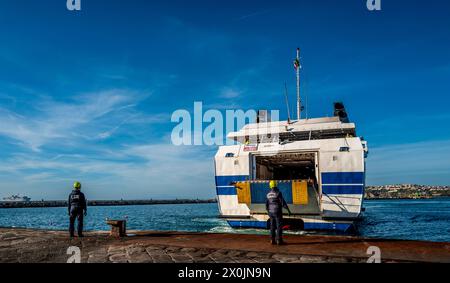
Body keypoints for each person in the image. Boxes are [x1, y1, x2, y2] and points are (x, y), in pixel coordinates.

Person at [266, 180, 291, 245]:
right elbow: (283, 202)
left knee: (272, 226)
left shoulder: (268, 194)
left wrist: (268, 212)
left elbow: (267, 204)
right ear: (276, 185)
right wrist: (288, 210)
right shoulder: (278, 193)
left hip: (270, 212)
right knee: (279, 226)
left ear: (270, 186)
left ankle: (272, 240)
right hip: (277, 211)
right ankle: (279, 241)